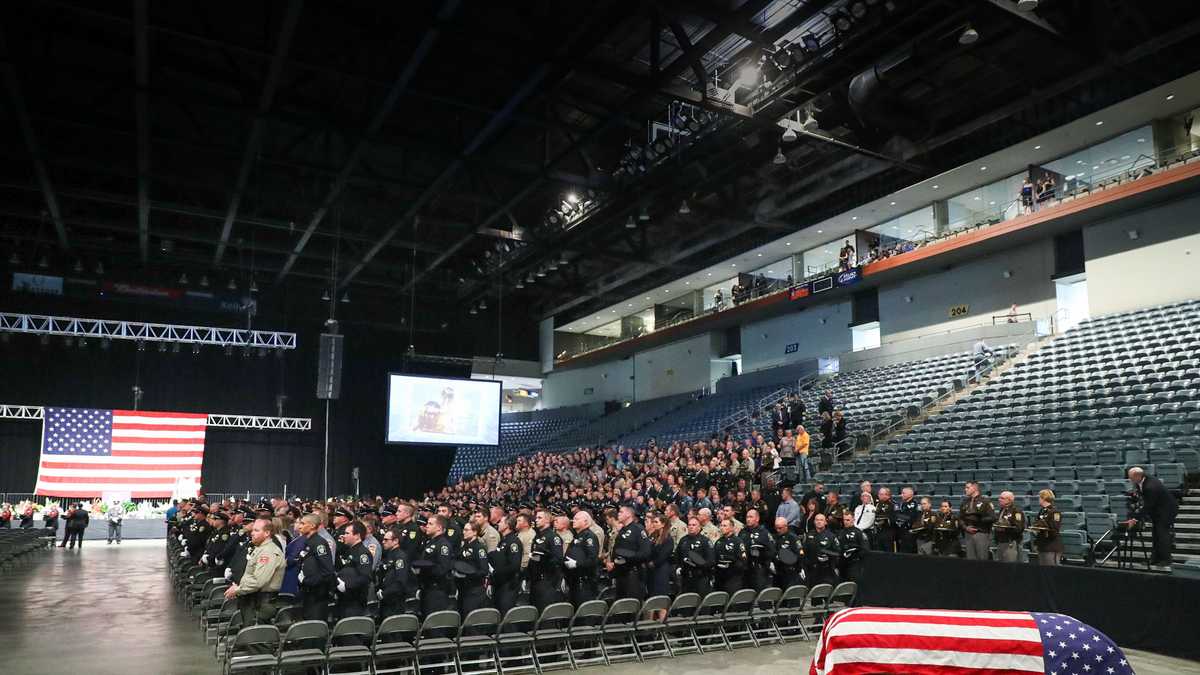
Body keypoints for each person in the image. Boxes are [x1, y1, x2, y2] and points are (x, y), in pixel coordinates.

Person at [224, 518, 285, 626]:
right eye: (253, 530)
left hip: (261, 602)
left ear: (267, 533)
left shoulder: (268, 552)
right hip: (253, 600)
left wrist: (238, 589)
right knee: (249, 635)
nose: (252, 533)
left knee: (255, 638)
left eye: (256, 531)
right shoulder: (260, 548)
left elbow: (258, 581)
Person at [1126, 466, 1178, 568]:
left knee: (1162, 534)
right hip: (1158, 510)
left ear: (1137, 476)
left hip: (1167, 510)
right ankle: (1155, 558)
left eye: (1131, 477)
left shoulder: (1150, 486)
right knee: (1156, 534)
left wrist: (1135, 519)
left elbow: (1148, 506)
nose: (1129, 479)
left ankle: (1166, 559)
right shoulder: (1142, 481)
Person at [295, 513, 335, 620]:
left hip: (317, 594)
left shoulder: (319, 543)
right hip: (308, 592)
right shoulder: (308, 541)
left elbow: (327, 571)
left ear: (312, 526)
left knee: (315, 627)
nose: (299, 526)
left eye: (303, 523)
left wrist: (308, 581)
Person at [607, 505, 650, 600]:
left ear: (628, 514)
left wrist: (627, 557)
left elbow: (645, 553)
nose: (618, 514)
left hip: (633, 574)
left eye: (621, 512)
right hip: (620, 574)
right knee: (621, 608)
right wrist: (613, 562)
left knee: (631, 606)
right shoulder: (621, 530)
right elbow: (617, 550)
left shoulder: (638, 529)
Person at [414, 515, 455, 616]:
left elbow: (442, 569)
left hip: (436, 591)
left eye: (430, 524)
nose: (426, 526)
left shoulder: (443, 545)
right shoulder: (430, 542)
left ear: (439, 528)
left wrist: (424, 569)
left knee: (434, 625)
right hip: (427, 589)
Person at [334, 521, 374, 619]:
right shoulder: (348, 550)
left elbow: (365, 577)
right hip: (344, 599)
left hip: (355, 601)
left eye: (347, 533)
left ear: (357, 536)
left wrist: (346, 586)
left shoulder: (363, 553)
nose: (344, 536)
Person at [527, 509, 565, 610]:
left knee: (544, 612)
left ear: (547, 520)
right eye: (536, 517)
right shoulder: (537, 536)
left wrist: (543, 559)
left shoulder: (553, 537)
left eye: (539, 518)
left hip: (547, 580)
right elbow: (534, 557)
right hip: (535, 579)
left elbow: (558, 559)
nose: (536, 520)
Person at [377, 527, 414, 619]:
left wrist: (384, 593)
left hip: (395, 600)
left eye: (386, 540)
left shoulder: (400, 557)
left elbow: (400, 581)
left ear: (395, 541)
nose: (383, 542)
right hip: (386, 598)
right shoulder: (390, 554)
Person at [454, 522, 491, 616]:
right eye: (463, 529)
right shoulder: (464, 546)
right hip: (463, 588)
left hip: (474, 590)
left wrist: (467, 574)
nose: (463, 532)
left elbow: (484, 570)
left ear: (475, 532)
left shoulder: (479, 548)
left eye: (466, 530)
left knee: (470, 618)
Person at [489, 516, 524, 615]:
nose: (498, 524)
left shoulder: (513, 542)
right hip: (500, 583)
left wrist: (495, 572)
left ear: (507, 525)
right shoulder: (503, 540)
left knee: (505, 614)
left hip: (508, 585)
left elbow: (514, 566)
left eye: (500, 522)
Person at [564, 511, 600, 606]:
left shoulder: (589, 537)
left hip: (584, 583)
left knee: (583, 613)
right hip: (574, 581)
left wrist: (577, 564)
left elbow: (593, 559)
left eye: (577, 519)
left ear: (585, 522)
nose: (573, 521)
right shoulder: (577, 536)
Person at [676, 516, 715, 596]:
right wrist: (679, 567)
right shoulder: (683, 540)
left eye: (694, 525)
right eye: (689, 525)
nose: (691, 527)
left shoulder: (705, 541)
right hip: (686, 578)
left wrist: (698, 564)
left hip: (700, 577)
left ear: (699, 527)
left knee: (701, 603)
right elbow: (678, 556)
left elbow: (711, 561)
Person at [740, 509, 776, 593]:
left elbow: (772, 551)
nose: (748, 519)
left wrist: (761, 553)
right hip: (746, 569)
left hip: (760, 569)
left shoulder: (764, 533)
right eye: (747, 517)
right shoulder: (743, 532)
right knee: (745, 597)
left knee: (763, 597)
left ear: (757, 519)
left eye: (751, 517)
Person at [959, 481, 995, 561]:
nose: (965, 489)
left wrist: (978, 520)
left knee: (982, 559)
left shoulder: (985, 502)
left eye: (968, 487)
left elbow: (992, 517)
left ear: (975, 488)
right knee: (970, 559)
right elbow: (960, 518)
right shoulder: (965, 502)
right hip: (968, 533)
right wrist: (965, 527)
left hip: (981, 533)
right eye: (965, 488)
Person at [802, 513, 839, 586]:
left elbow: (837, 553)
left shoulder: (831, 536)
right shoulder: (808, 535)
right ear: (814, 522)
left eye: (821, 520)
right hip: (811, 571)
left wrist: (828, 555)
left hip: (826, 571)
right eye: (817, 520)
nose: (819, 522)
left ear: (825, 522)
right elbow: (803, 552)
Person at [712, 518, 747, 594]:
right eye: (721, 525)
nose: (721, 528)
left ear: (731, 527)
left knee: (732, 602)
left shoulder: (738, 541)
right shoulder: (718, 542)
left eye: (724, 526)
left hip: (733, 578)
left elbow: (743, 561)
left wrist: (730, 565)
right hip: (720, 577)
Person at [645, 513, 674, 599]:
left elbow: (664, 555)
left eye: (656, 522)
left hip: (661, 570)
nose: (654, 524)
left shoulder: (668, 539)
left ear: (663, 524)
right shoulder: (654, 537)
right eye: (653, 522)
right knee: (651, 596)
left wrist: (653, 563)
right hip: (651, 570)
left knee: (660, 597)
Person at [1031, 489, 1062, 566]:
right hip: (1042, 545)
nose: (1038, 499)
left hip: (1051, 546)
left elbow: (1054, 529)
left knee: (1051, 571)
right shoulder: (1042, 511)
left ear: (1043, 498)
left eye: (1039, 497)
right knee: (1043, 572)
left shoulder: (1054, 512)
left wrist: (1043, 529)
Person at [837, 511, 869, 582]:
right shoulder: (840, 533)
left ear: (853, 519)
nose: (845, 522)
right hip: (842, 564)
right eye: (844, 520)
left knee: (853, 585)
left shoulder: (859, 533)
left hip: (854, 564)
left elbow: (865, 549)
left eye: (848, 520)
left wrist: (854, 555)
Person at [772, 517, 804, 590]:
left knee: (791, 597)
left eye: (780, 528)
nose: (778, 530)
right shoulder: (774, 537)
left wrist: (799, 568)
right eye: (776, 528)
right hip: (778, 572)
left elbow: (800, 555)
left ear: (786, 526)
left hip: (790, 573)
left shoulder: (793, 538)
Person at [993, 491, 1025, 563]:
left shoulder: (1016, 511)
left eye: (1002, 498)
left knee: (1010, 565)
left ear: (1009, 500)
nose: (999, 499)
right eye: (999, 497)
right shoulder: (1002, 510)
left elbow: (1019, 528)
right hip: (1001, 541)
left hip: (1010, 542)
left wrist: (1005, 528)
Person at [894, 487, 919, 554]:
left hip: (909, 534)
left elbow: (910, 518)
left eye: (903, 493)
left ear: (910, 494)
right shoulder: (902, 504)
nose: (901, 495)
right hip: (900, 533)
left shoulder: (914, 504)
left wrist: (898, 515)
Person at [872, 487, 896, 553]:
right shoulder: (877, 504)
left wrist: (884, 520)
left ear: (888, 495)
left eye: (882, 494)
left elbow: (894, 519)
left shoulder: (892, 504)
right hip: (878, 532)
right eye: (879, 494)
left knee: (888, 552)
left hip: (888, 532)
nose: (880, 496)